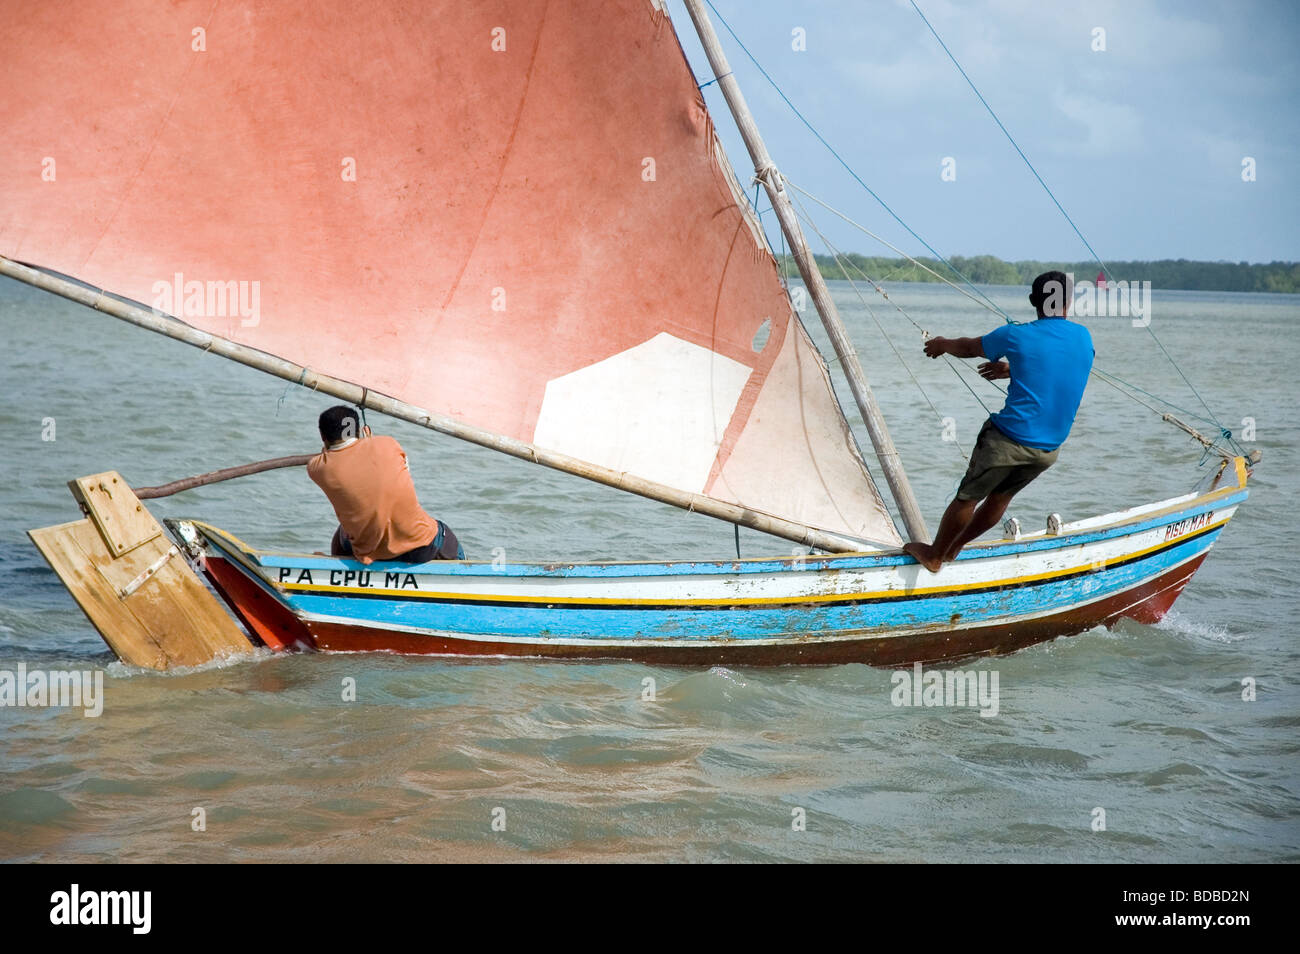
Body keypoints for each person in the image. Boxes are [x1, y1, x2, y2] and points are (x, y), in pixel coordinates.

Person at [902, 271, 1093, 573]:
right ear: (1069, 302)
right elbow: (1058, 372)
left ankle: (935, 555)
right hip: (1048, 449)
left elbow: (969, 347)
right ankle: (955, 547)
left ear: (1034, 301)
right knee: (1000, 498)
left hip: (1009, 439)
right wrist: (1014, 370)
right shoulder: (1083, 337)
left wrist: (942, 344)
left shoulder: (1016, 335)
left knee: (968, 497)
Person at [307, 406, 465, 564]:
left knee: (341, 533)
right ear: (359, 430)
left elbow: (335, 457)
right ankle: (461, 570)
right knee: (444, 532)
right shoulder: (388, 443)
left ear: (322, 436)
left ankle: (343, 570)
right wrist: (368, 442)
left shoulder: (317, 468)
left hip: (368, 551)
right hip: (420, 548)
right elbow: (403, 471)